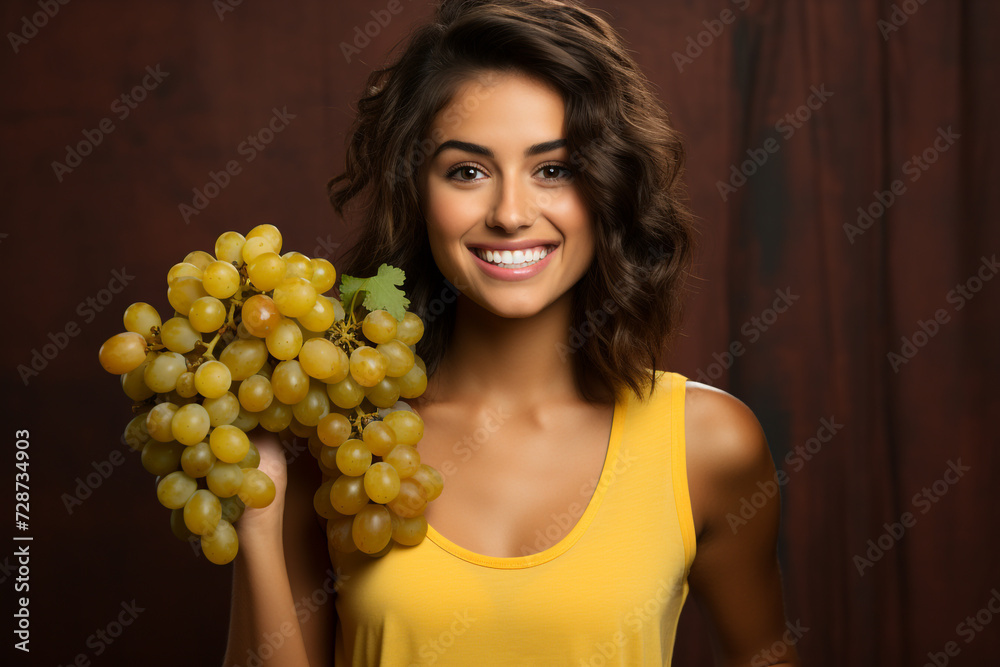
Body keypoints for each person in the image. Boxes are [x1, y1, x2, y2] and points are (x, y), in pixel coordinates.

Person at [223, 1, 801, 665]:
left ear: (609, 185)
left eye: (554, 168)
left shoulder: (707, 444)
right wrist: (260, 517)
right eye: (467, 171)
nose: (510, 213)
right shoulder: (342, 441)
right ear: (416, 192)